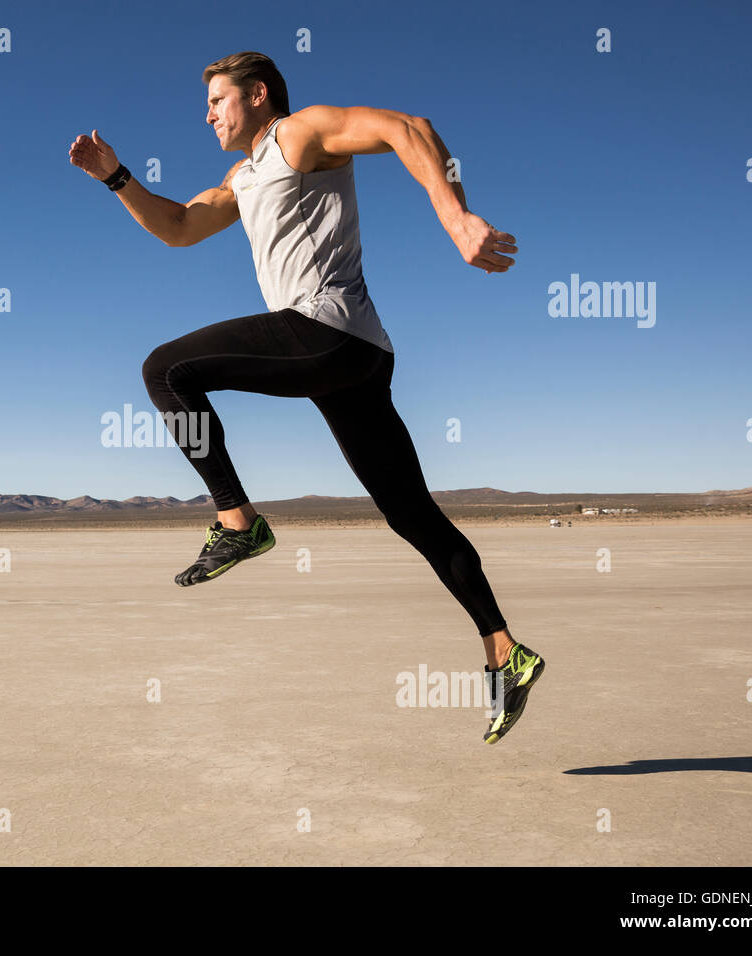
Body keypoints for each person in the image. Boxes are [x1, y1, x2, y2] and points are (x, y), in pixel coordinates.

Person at [68, 51, 543, 743]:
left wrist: (456, 217)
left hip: (324, 331)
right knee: (410, 513)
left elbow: (409, 127)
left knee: (164, 371)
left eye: (218, 101)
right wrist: (115, 176)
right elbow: (177, 227)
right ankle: (505, 650)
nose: (207, 115)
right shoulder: (245, 175)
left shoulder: (298, 134)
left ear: (258, 95)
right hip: (357, 357)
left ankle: (238, 522)